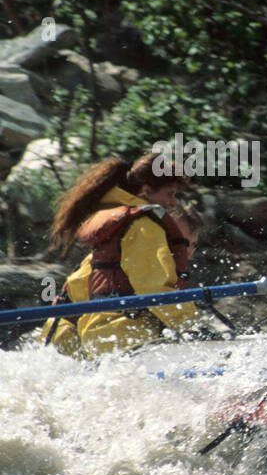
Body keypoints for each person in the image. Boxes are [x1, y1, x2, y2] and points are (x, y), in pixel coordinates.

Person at [40, 152, 200, 357]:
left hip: (97, 336)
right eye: (170, 194)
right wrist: (189, 327)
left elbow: (80, 287)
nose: (173, 203)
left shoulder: (120, 227)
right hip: (125, 335)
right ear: (146, 191)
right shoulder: (143, 226)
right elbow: (153, 286)